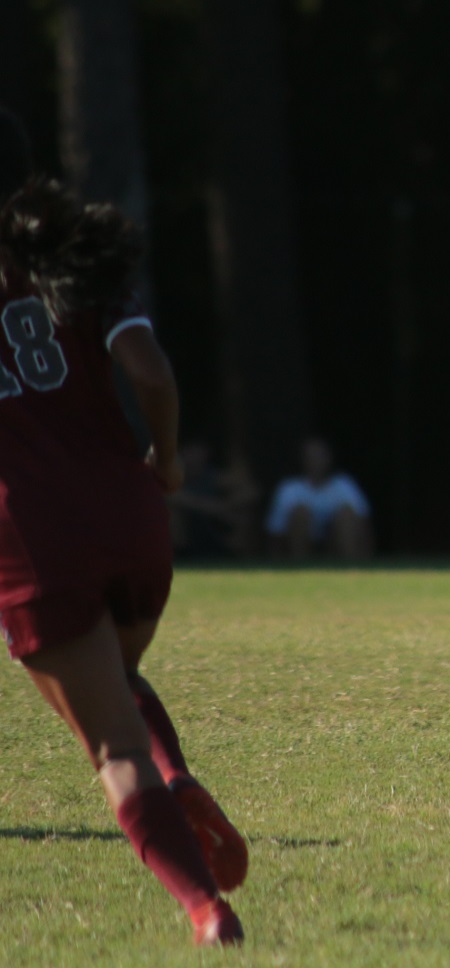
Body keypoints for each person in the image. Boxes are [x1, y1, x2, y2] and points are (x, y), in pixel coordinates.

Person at [0, 127, 248, 945]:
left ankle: (205, 908)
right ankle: (177, 774)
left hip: (32, 536)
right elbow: (151, 372)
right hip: (130, 514)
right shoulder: (73, 259)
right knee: (117, 673)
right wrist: (167, 463)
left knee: (113, 751)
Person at [265, 436, 372, 560]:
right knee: (300, 513)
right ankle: (300, 565)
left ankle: (350, 564)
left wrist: (368, 555)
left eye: (319, 456)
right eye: (310, 456)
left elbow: (364, 524)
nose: (315, 461)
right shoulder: (289, 488)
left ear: (329, 458)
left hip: (334, 544)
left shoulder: (344, 484)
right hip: (300, 545)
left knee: (346, 514)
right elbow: (275, 532)